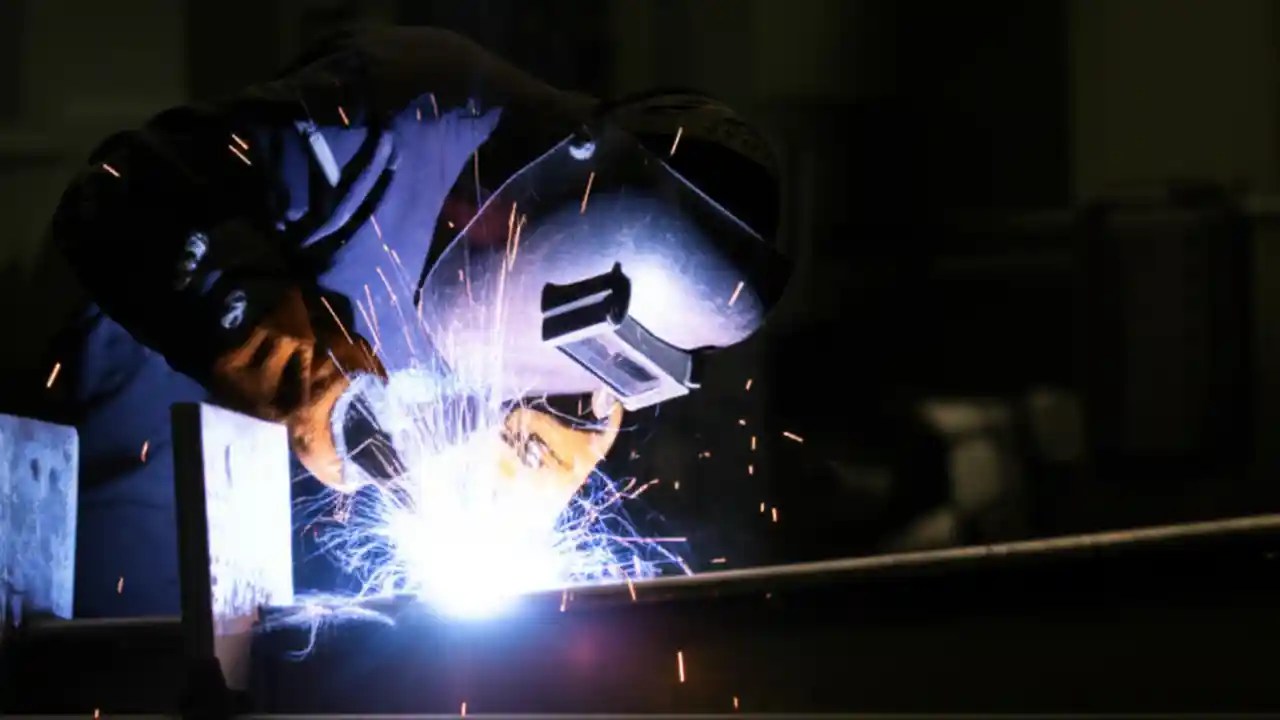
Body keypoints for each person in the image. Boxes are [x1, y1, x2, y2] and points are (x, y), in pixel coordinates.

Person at [40, 26, 788, 618]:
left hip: (299, 507)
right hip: (148, 394)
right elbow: (119, 193)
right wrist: (285, 359)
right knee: (130, 653)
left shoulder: (600, 361)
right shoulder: (403, 109)